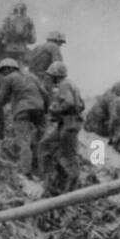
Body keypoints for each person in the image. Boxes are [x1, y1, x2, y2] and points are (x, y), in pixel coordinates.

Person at [0, 57, 48, 176]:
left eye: (3, 71)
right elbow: (45, 94)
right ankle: (43, 171)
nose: (3, 75)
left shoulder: (9, 78)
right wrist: (45, 110)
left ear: (8, 69)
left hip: (22, 111)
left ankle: (26, 172)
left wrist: (1, 131)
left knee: (24, 141)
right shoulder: (32, 76)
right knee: (41, 140)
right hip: (39, 110)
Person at [38, 61, 85, 194]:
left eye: (51, 76)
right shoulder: (72, 84)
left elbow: (68, 103)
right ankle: (49, 179)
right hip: (68, 123)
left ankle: (71, 190)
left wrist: (55, 109)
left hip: (68, 125)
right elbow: (80, 105)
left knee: (67, 156)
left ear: (55, 75)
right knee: (45, 144)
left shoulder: (64, 84)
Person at [0, 0, 35, 65]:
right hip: (22, 50)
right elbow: (32, 40)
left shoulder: (8, 19)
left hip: (8, 49)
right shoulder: (28, 21)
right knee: (20, 70)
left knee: (7, 67)